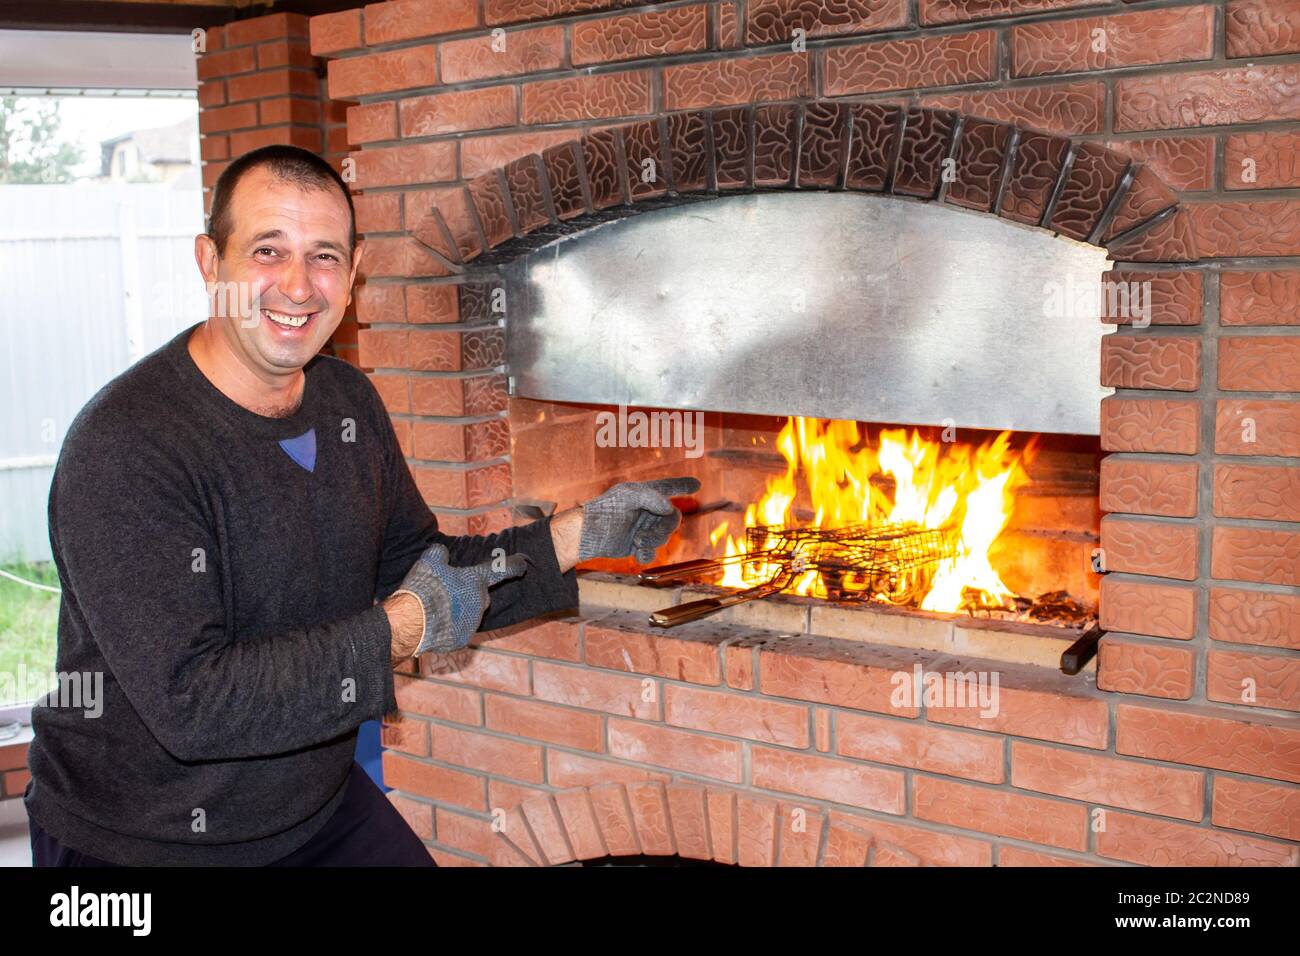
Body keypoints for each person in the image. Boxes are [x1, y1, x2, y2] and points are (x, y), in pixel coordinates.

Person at [24, 144, 699, 866]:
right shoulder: (129, 445)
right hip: (140, 841)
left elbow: (419, 571)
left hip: (308, 807)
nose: (296, 285)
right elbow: (194, 702)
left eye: (323, 257)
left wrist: (572, 536)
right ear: (209, 263)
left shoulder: (348, 403)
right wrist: (400, 632)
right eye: (267, 250)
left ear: (352, 276)